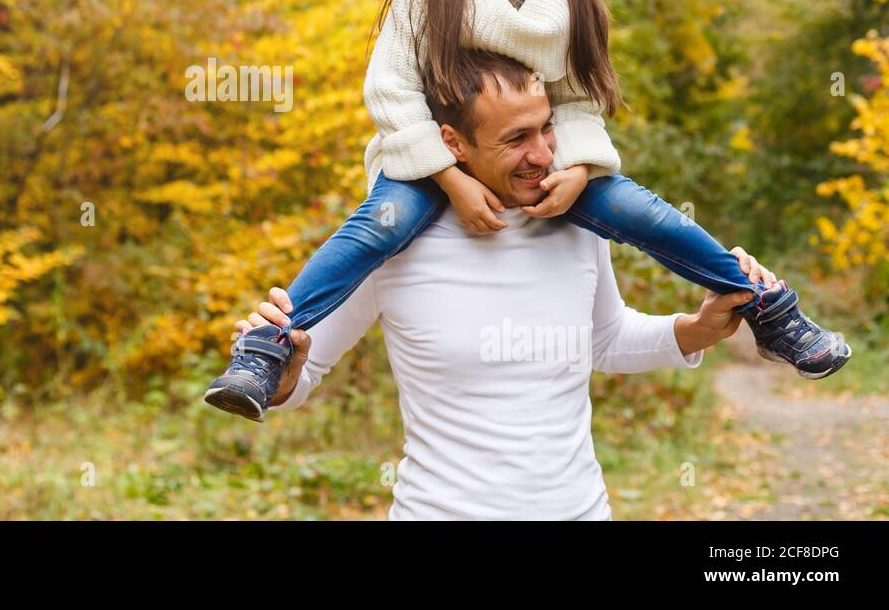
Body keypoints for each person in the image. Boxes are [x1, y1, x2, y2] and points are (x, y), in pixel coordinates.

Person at [205, 0, 849, 423]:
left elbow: (576, 101)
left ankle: (767, 308)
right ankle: (265, 347)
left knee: (634, 207)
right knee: (382, 223)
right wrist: (450, 178)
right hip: (426, 161)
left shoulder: (559, 3)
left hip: (547, 168)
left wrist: (579, 167)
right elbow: (390, 90)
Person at [236, 52, 754, 519]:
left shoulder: (573, 218)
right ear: (452, 144)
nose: (543, 155)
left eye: (545, 129)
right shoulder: (391, 241)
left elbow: (604, 339)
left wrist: (696, 330)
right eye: (514, 140)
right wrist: (285, 374)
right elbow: (300, 376)